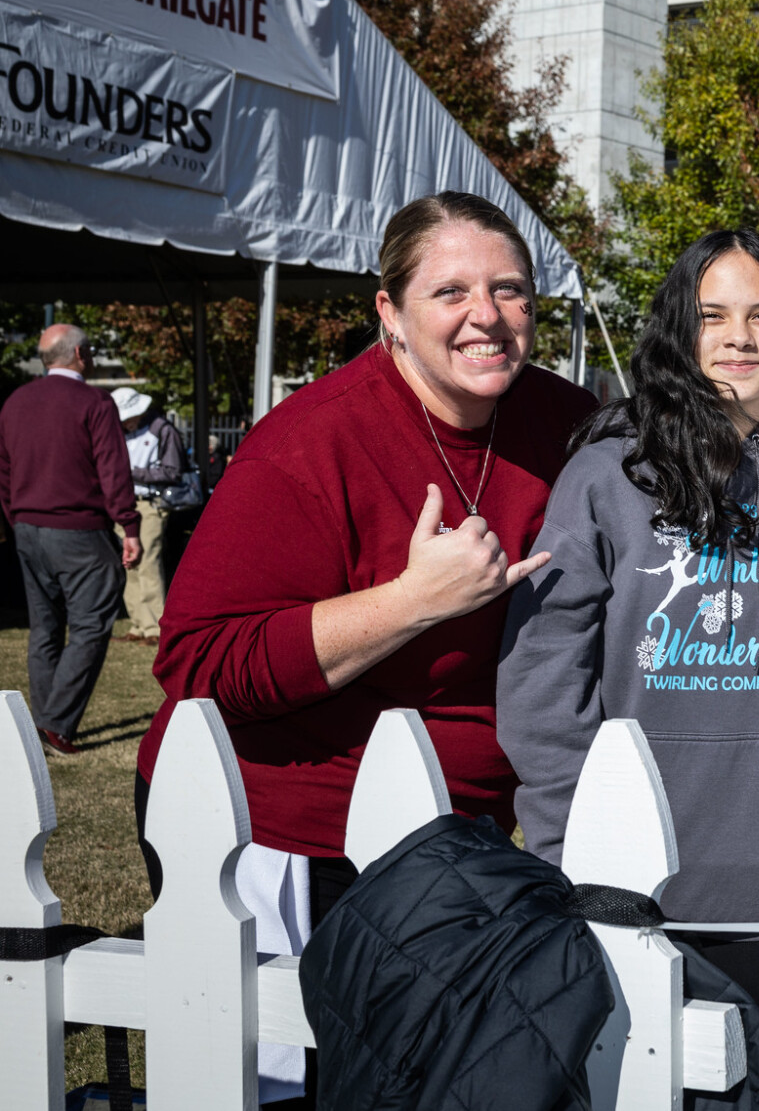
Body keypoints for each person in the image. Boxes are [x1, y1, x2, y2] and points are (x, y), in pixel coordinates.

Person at [134, 193, 597, 1106]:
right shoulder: (309, 444)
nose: (486, 316)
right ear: (388, 313)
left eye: (510, 290)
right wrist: (407, 604)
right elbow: (198, 665)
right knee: (301, 1083)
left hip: (476, 836)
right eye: (450, 291)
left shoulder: (569, 422)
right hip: (293, 832)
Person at [499, 229, 759, 1020]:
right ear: (678, 333)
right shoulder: (607, 475)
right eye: (712, 316)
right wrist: (569, 848)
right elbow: (544, 677)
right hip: (626, 867)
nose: (739, 338)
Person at [0, 325, 141, 754]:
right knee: (91, 622)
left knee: (45, 626)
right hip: (77, 528)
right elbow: (112, 470)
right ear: (80, 353)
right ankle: (55, 722)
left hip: (27, 526)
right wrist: (129, 525)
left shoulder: (15, 401)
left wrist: (16, 518)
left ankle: (44, 724)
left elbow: (5, 470)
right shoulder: (93, 402)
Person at [111, 386, 187, 644]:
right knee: (130, 564)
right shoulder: (119, 432)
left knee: (149, 562)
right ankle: (138, 624)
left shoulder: (162, 430)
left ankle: (155, 627)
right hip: (124, 502)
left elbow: (173, 471)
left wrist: (132, 472)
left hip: (151, 503)